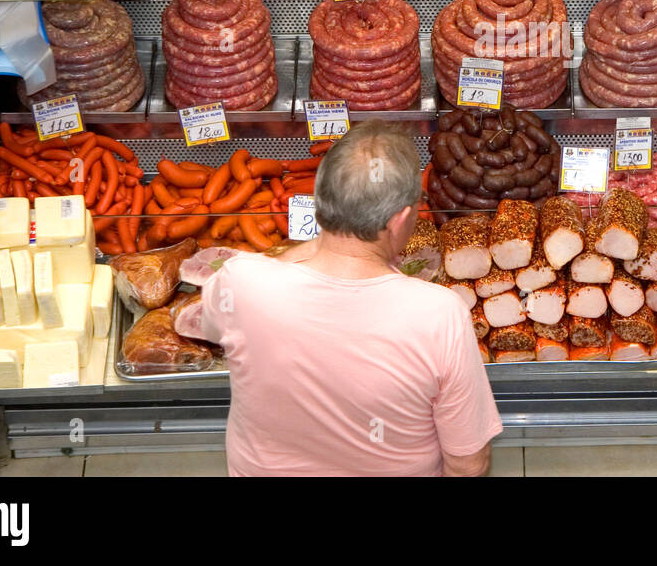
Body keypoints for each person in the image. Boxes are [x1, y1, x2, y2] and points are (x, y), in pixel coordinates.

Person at [197, 121, 502, 476]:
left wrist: (329, 237)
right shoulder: (440, 314)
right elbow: (468, 465)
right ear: (400, 219)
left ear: (319, 200)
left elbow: (213, 328)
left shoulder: (239, 282)